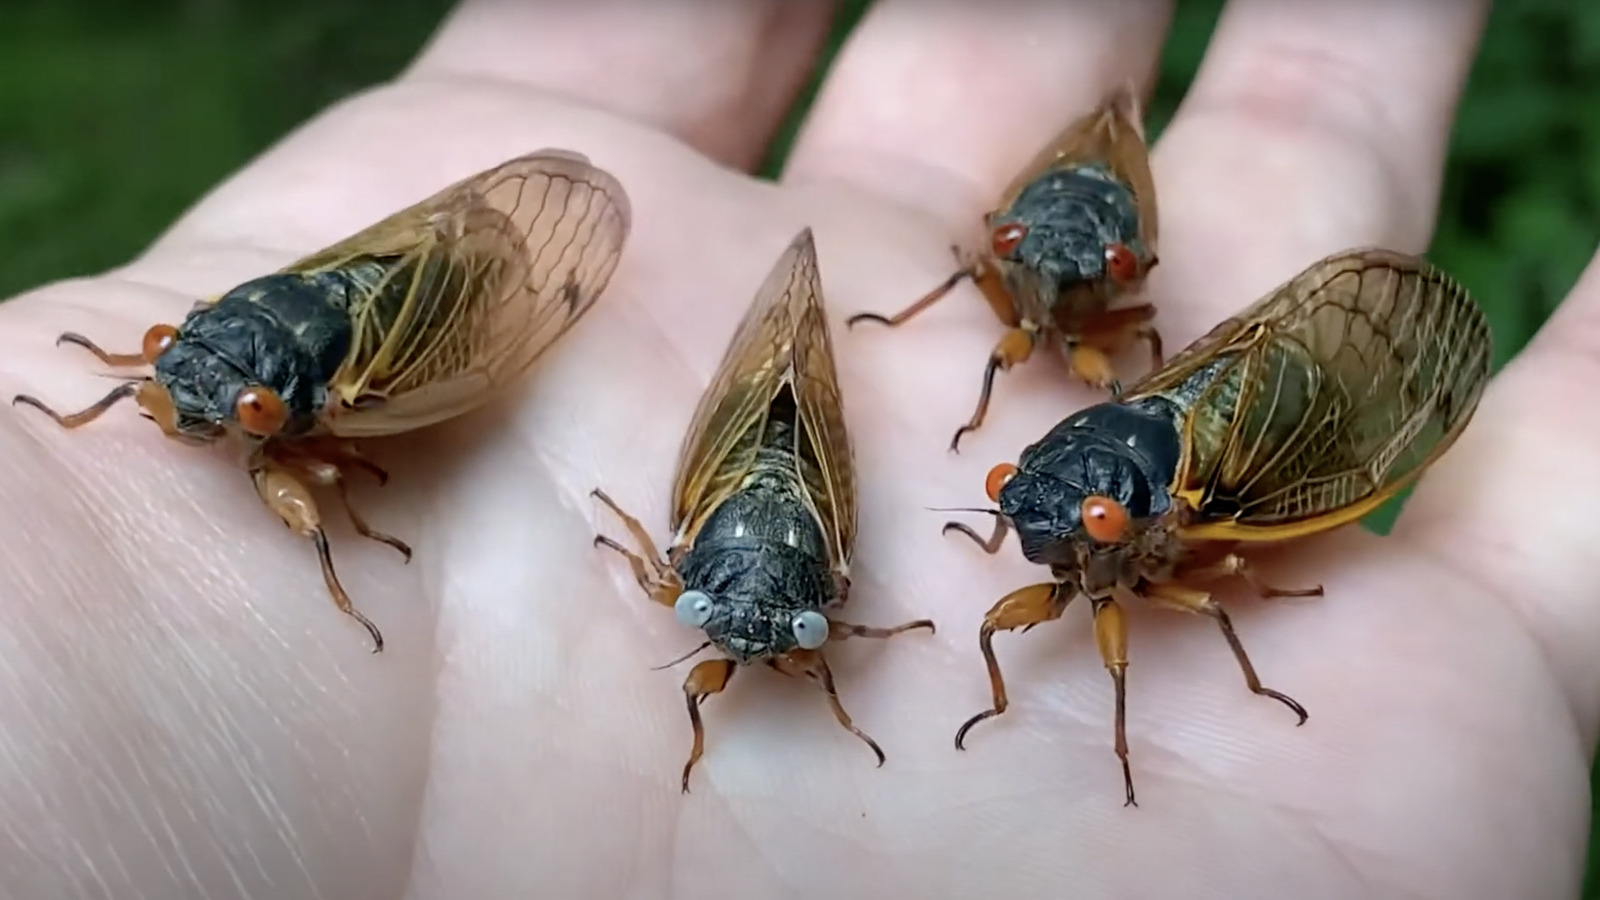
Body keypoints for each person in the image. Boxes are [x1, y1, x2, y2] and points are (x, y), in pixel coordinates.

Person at [0, 1, 1587, 898]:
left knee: (1250, 554)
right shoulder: (985, 527)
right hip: (808, 462)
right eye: (1020, 508)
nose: (1035, 539)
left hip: (1224, 441)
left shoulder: (1131, 497)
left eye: (1067, 525)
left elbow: (1154, 546)